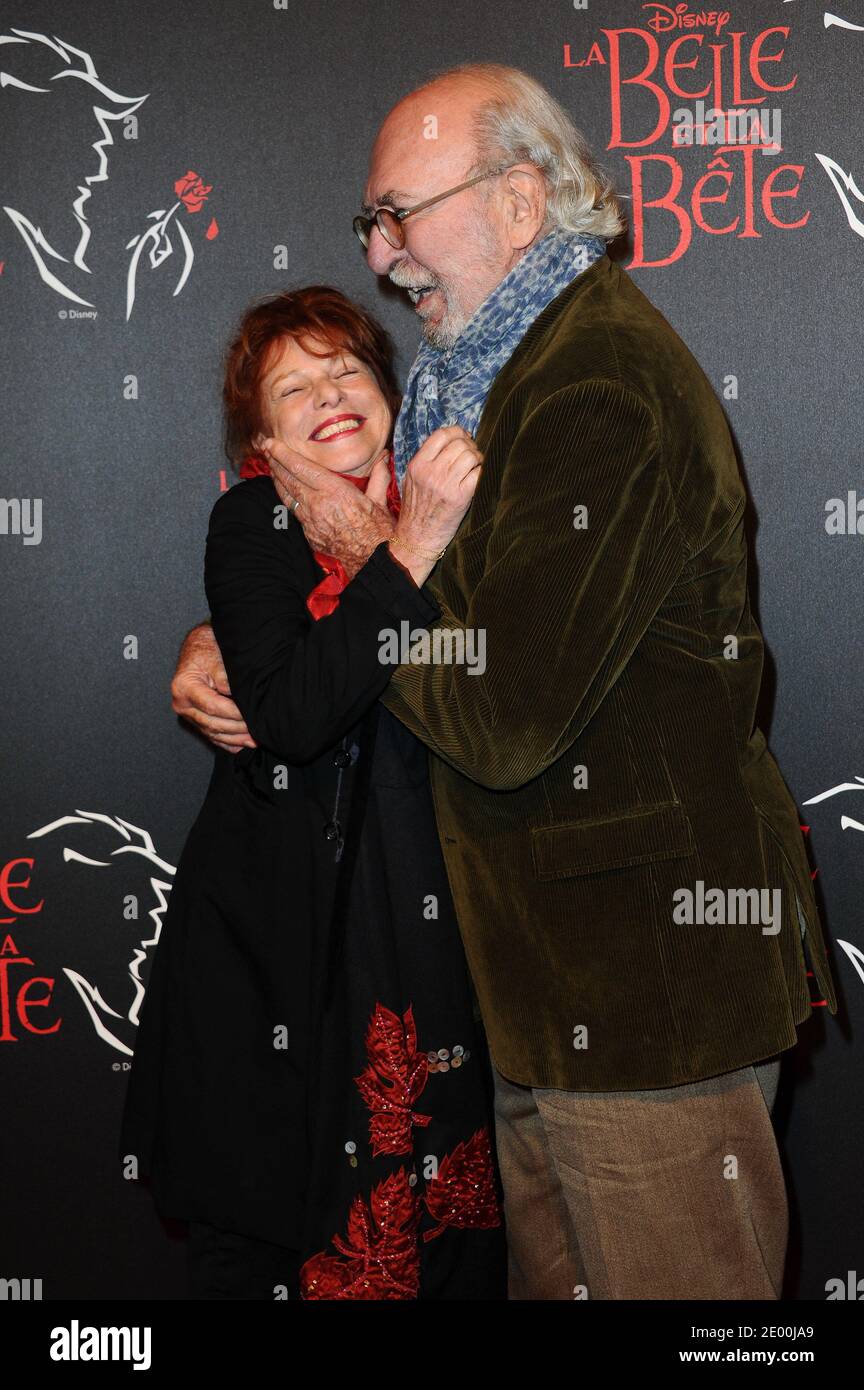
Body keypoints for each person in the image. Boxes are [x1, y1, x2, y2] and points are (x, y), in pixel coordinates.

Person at [171, 63, 839, 1300]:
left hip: (643, 1002)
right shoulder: (483, 385)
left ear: (521, 203)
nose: (383, 259)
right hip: (539, 1006)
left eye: (399, 215)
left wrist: (372, 563)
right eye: (371, 224)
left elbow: (498, 708)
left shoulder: (594, 386)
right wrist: (247, 639)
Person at [119, 283, 506, 1301]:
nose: (331, 393)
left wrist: (422, 535)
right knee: (282, 1238)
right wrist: (406, 553)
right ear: (259, 435)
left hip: (438, 925)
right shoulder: (254, 522)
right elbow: (291, 717)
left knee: (452, 1237)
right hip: (282, 950)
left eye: (347, 369)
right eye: (295, 386)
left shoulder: (464, 497)